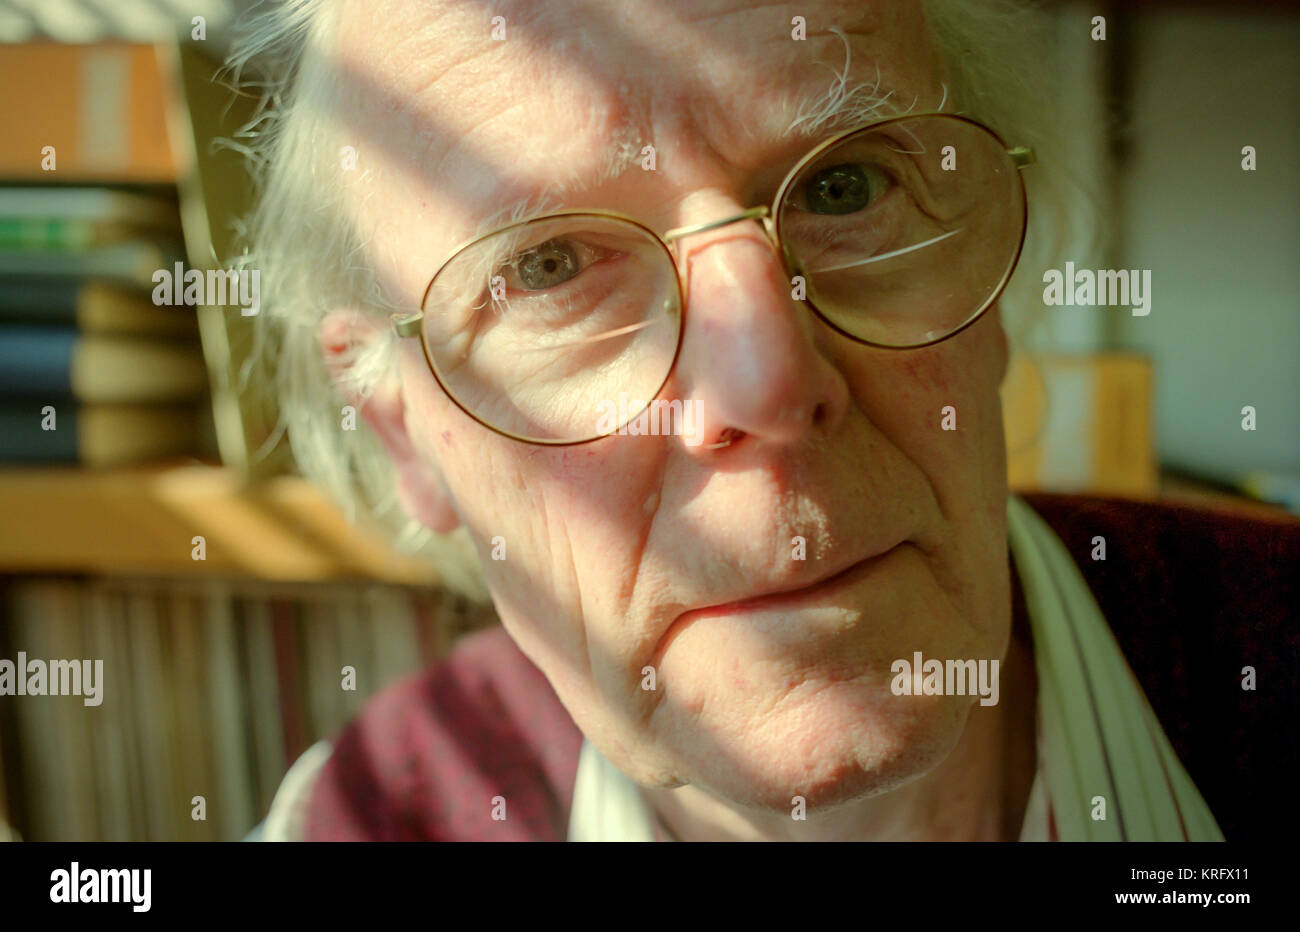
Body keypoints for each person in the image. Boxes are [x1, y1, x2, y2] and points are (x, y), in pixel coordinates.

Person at [230, 0, 1297, 841]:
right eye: (548, 267)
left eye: (844, 187)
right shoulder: (362, 817)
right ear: (403, 430)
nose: (769, 383)